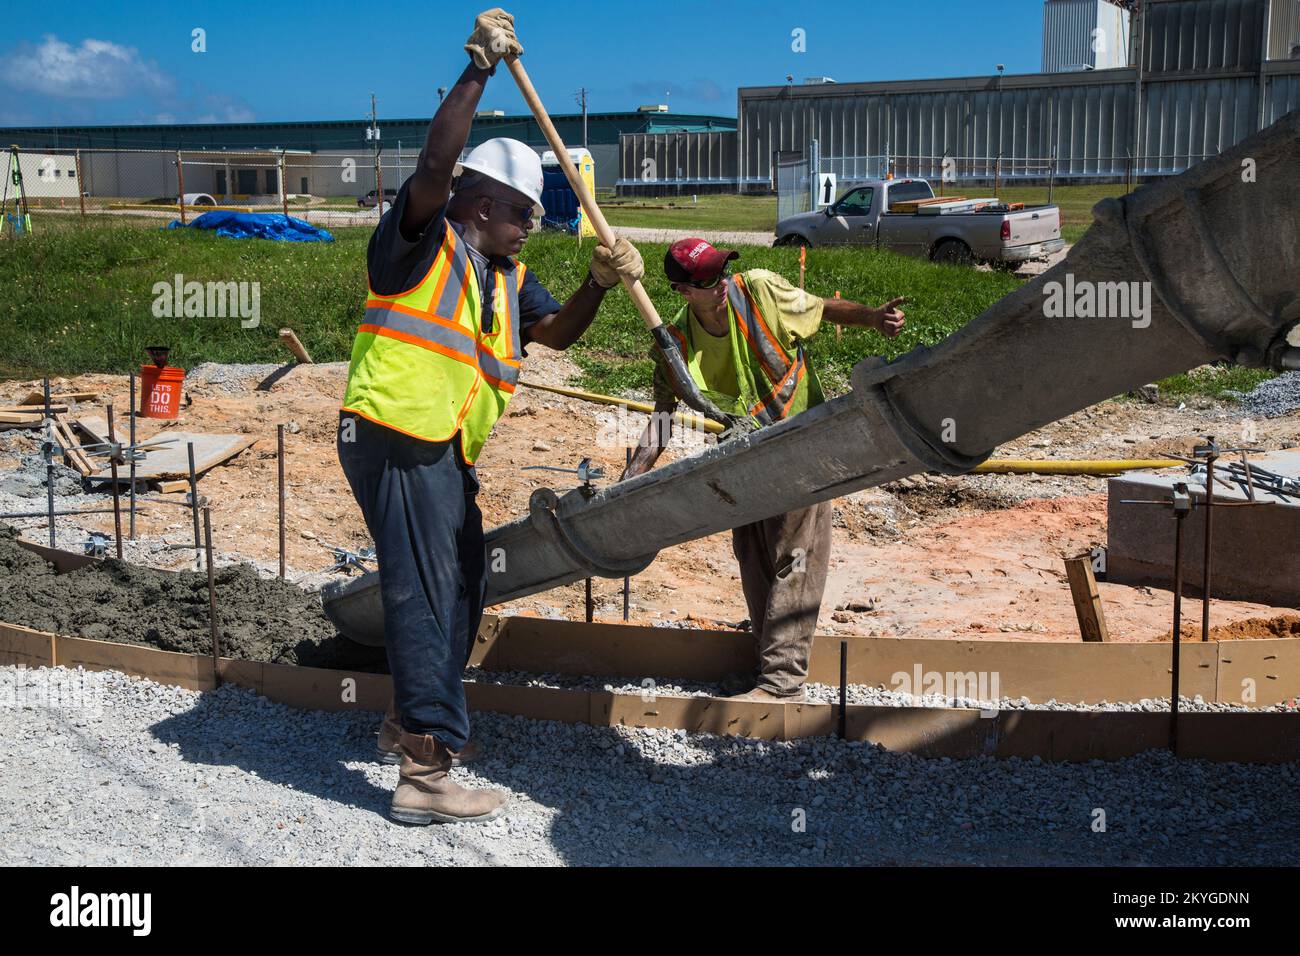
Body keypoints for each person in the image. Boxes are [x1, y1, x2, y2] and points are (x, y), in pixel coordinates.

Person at [337, 7, 643, 825]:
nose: (533, 226)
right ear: (480, 202)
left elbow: (557, 334)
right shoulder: (420, 241)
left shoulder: (510, 278)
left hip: (441, 453)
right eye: (525, 212)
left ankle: (408, 722)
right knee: (427, 587)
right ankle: (425, 773)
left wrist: (600, 285)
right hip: (394, 435)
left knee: (466, 581)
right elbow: (435, 162)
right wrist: (477, 69)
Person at [621, 238, 904, 702]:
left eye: (721, 270)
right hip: (744, 459)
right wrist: (627, 485)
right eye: (708, 279)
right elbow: (663, 419)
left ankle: (781, 680)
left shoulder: (759, 291)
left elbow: (822, 308)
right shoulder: (675, 341)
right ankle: (765, 669)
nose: (721, 282)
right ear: (682, 291)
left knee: (795, 555)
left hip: (802, 445)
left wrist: (873, 318)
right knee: (753, 555)